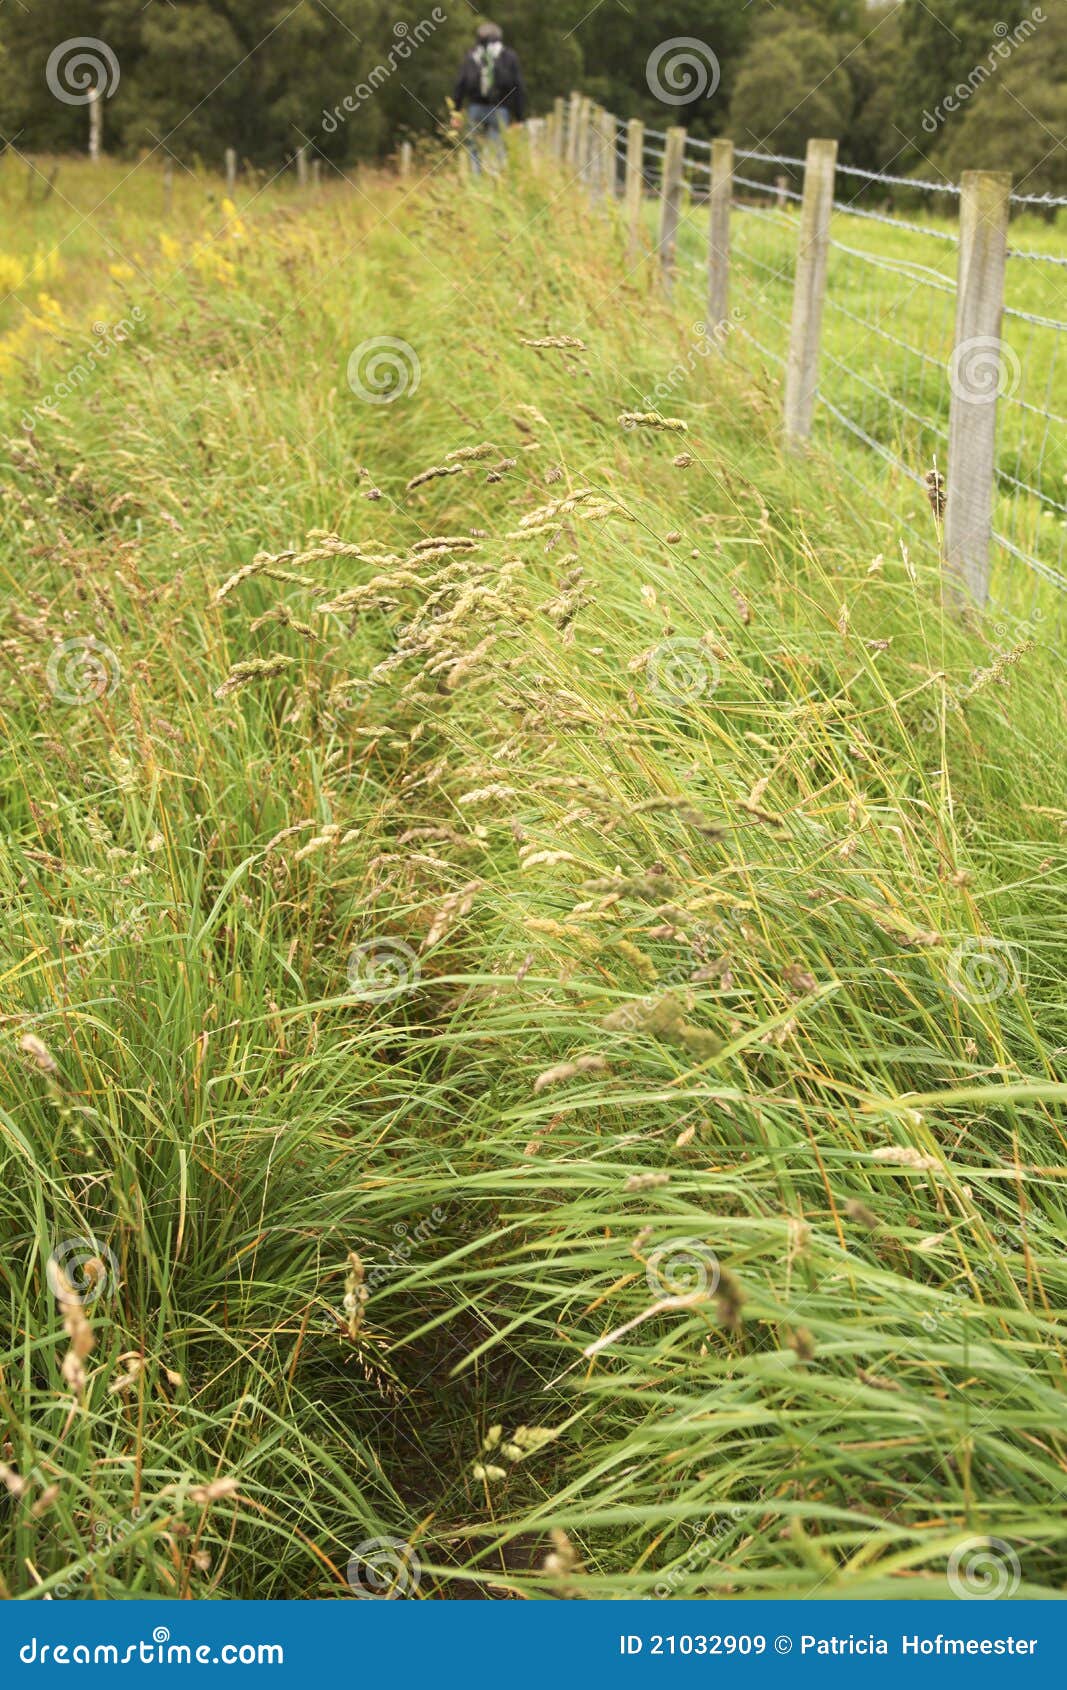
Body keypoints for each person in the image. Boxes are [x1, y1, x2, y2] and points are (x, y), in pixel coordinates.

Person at [451, 21, 526, 175]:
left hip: (475, 109)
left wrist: (456, 112)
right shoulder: (509, 57)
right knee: (498, 149)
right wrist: (519, 117)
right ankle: (496, 184)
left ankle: (476, 183)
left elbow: (460, 84)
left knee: (474, 149)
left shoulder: (471, 55)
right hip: (500, 109)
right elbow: (518, 87)